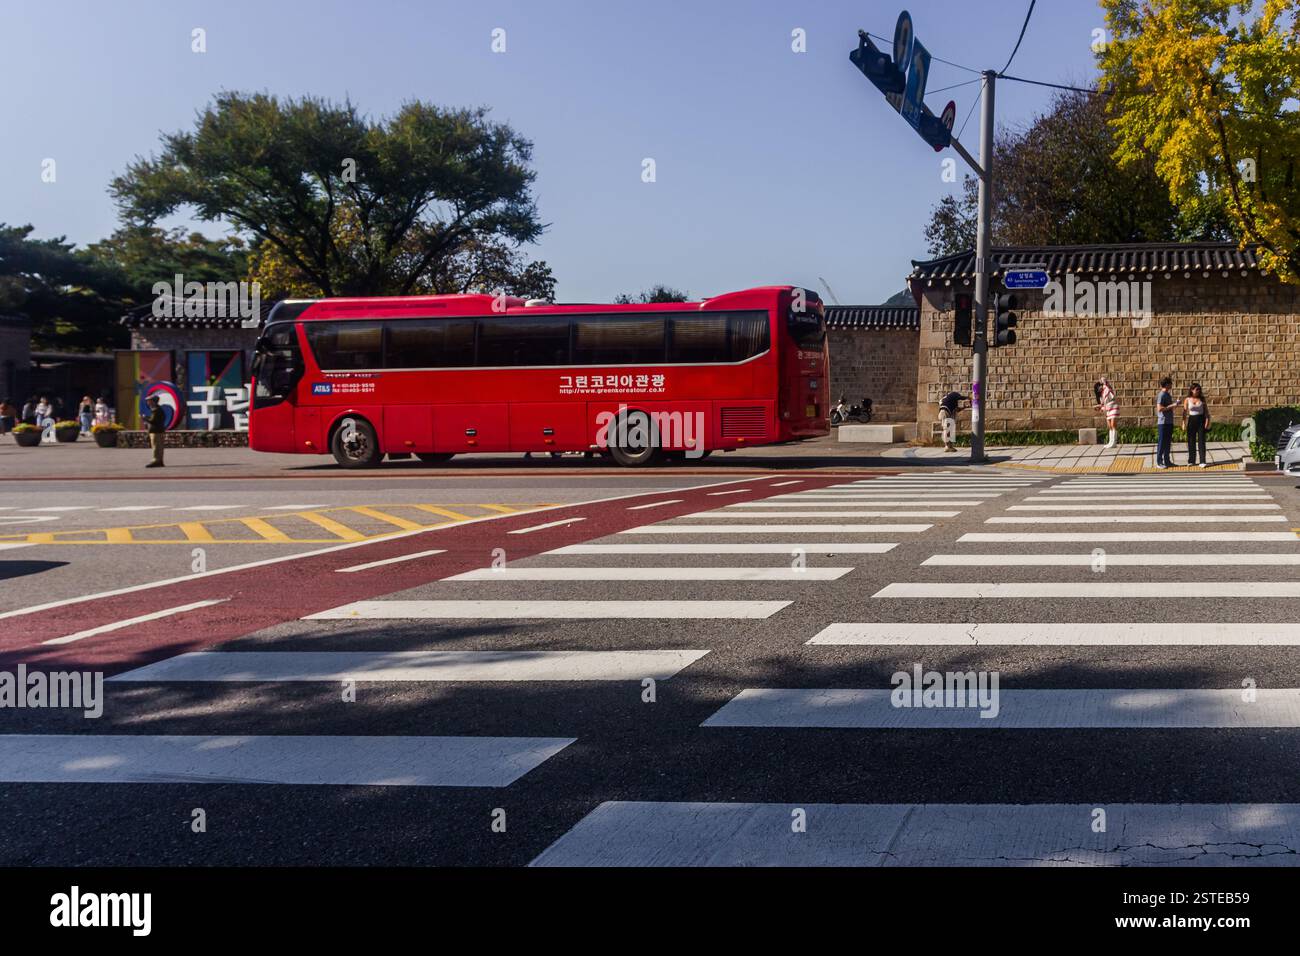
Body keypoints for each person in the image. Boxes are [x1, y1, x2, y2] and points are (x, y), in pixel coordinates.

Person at [1183, 382, 1210, 468]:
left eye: (1199, 389)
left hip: (1201, 420)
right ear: (1192, 390)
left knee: (1201, 441)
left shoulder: (1202, 399)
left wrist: (1207, 421)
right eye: (1196, 389)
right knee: (1191, 441)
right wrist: (1183, 423)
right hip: (1191, 420)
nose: (1198, 391)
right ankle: (1191, 460)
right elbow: (1184, 412)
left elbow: (1206, 411)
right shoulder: (1187, 399)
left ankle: (1202, 461)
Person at [1154, 376, 1177, 468]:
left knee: (1168, 442)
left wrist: (1174, 405)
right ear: (1167, 384)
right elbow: (1159, 408)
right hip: (1163, 422)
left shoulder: (1167, 394)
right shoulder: (1162, 395)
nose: (1171, 385)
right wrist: (1172, 406)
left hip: (1169, 421)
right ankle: (1159, 462)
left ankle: (1167, 461)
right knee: (1162, 442)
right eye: (1170, 383)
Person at [1093, 376, 1119, 449]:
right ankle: (1111, 442)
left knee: (1113, 424)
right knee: (1109, 426)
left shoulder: (1107, 388)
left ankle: (1114, 442)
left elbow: (1104, 380)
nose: (1099, 388)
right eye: (1098, 388)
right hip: (1107, 409)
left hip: (1113, 407)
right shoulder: (1100, 396)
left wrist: (1101, 381)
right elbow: (1102, 405)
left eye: (1100, 386)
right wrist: (1099, 408)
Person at [145, 395, 166, 468]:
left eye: (149, 401)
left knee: (156, 446)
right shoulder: (158, 409)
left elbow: (153, 420)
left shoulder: (156, 410)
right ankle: (160, 460)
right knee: (159, 446)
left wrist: (145, 418)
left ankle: (156, 460)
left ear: (153, 401)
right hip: (159, 430)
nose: (148, 402)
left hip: (155, 431)